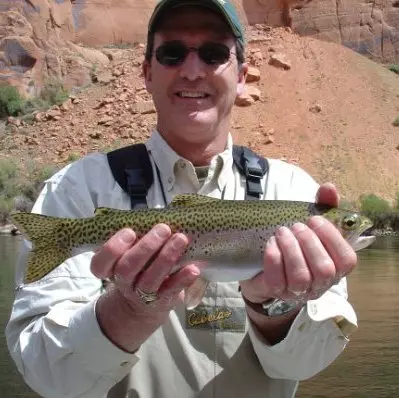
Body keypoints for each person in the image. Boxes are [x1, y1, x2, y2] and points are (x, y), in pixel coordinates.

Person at [6, 1, 359, 397]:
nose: (193, 71)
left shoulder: (295, 190)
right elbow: (44, 373)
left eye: (213, 54)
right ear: (146, 72)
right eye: (172, 53)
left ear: (242, 75)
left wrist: (276, 306)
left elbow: (306, 364)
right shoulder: (77, 189)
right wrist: (127, 312)